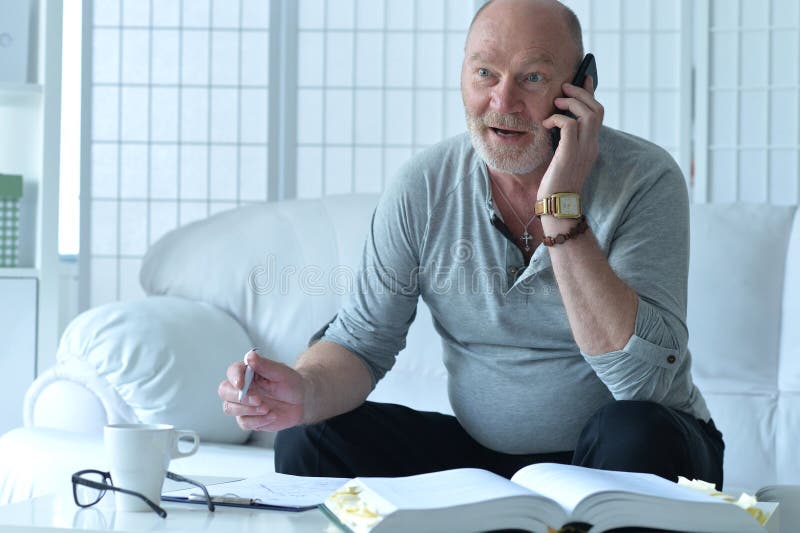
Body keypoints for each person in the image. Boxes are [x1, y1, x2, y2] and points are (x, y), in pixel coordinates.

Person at [217, 0, 724, 488]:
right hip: (486, 461)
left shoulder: (645, 179)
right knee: (309, 437)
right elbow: (361, 342)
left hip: (630, 452)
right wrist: (302, 391)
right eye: (485, 73)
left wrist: (561, 206)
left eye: (532, 77)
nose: (502, 102)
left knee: (634, 431)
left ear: (581, 88)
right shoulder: (425, 185)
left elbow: (641, 384)